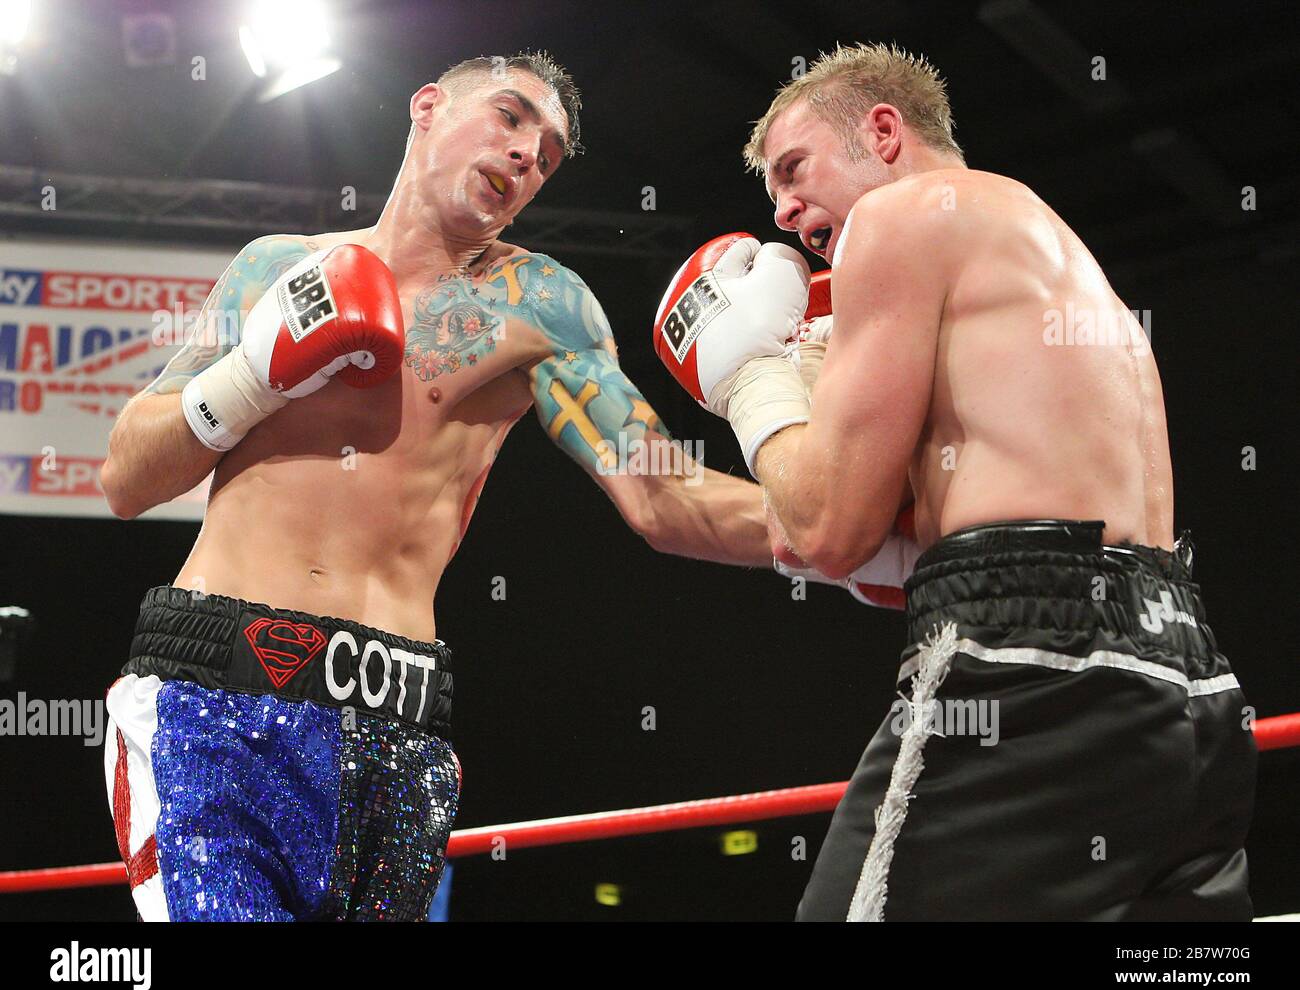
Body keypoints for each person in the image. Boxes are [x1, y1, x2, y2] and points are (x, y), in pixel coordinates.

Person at [98, 51, 773, 922]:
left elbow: (663, 494)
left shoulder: (543, 306)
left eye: (552, 152)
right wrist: (249, 378)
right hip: (216, 701)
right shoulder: (273, 268)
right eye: (510, 115)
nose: (530, 152)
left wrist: (856, 520)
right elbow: (125, 475)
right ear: (427, 108)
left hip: (401, 727)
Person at [653, 42, 1255, 920]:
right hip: (1189, 677)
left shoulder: (897, 222)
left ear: (884, 132)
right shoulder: (1049, 250)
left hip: (1022, 671)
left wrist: (749, 380)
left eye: (794, 169)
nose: (784, 212)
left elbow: (821, 531)